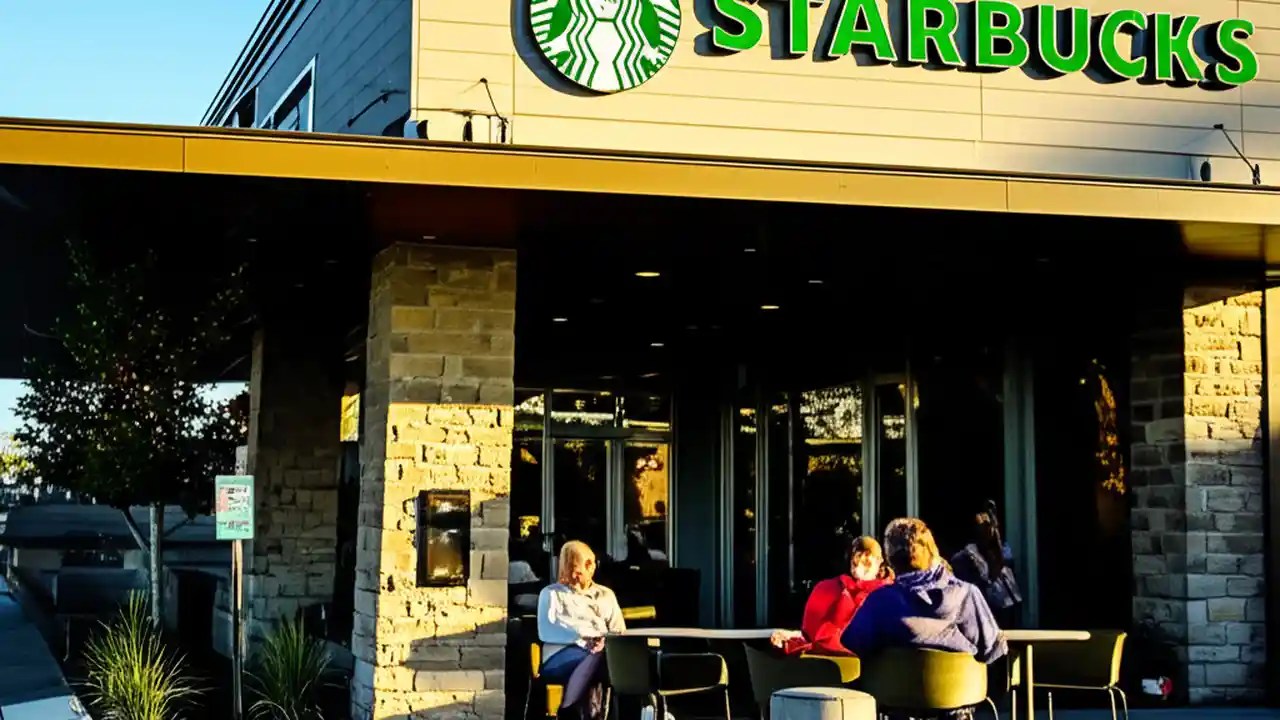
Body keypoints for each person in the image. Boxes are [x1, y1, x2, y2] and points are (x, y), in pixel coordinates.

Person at [841, 517, 1007, 665]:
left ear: (890, 559)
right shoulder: (966, 594)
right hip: (961, 698)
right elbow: (992, 652)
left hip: (893, 698)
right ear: (932, 551)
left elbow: (853, 645)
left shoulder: (879, 601)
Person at [537, 540, 625, 720]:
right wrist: (581, 637)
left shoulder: (606, 595)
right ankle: (569, 710)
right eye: (568, 572)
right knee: (598, 657)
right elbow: (545, 630)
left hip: (600, 651)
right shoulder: (551, 594)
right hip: (559, 654)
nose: (573, 577)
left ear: (590, 567)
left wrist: (604, 641)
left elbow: (618, 630)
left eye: (577, 572)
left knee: (607, 659)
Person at [769, 536, 894, 656]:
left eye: (866, 561)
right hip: (831, 667)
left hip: (871, 666)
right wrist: (792, 638)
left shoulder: (888, 593)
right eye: (857, 559)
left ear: (879, 563)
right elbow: (811, 636)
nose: (860, 565)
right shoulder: (827, 589)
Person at [950, 505, 1022, 628]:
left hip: (1009, 608)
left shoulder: (1000, 550)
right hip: (985, 614)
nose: (989, 530)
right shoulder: (964, 558)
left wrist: (996, 541)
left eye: (990, 525)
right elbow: (986, 582)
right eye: (983, 525)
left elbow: (1005, 564)